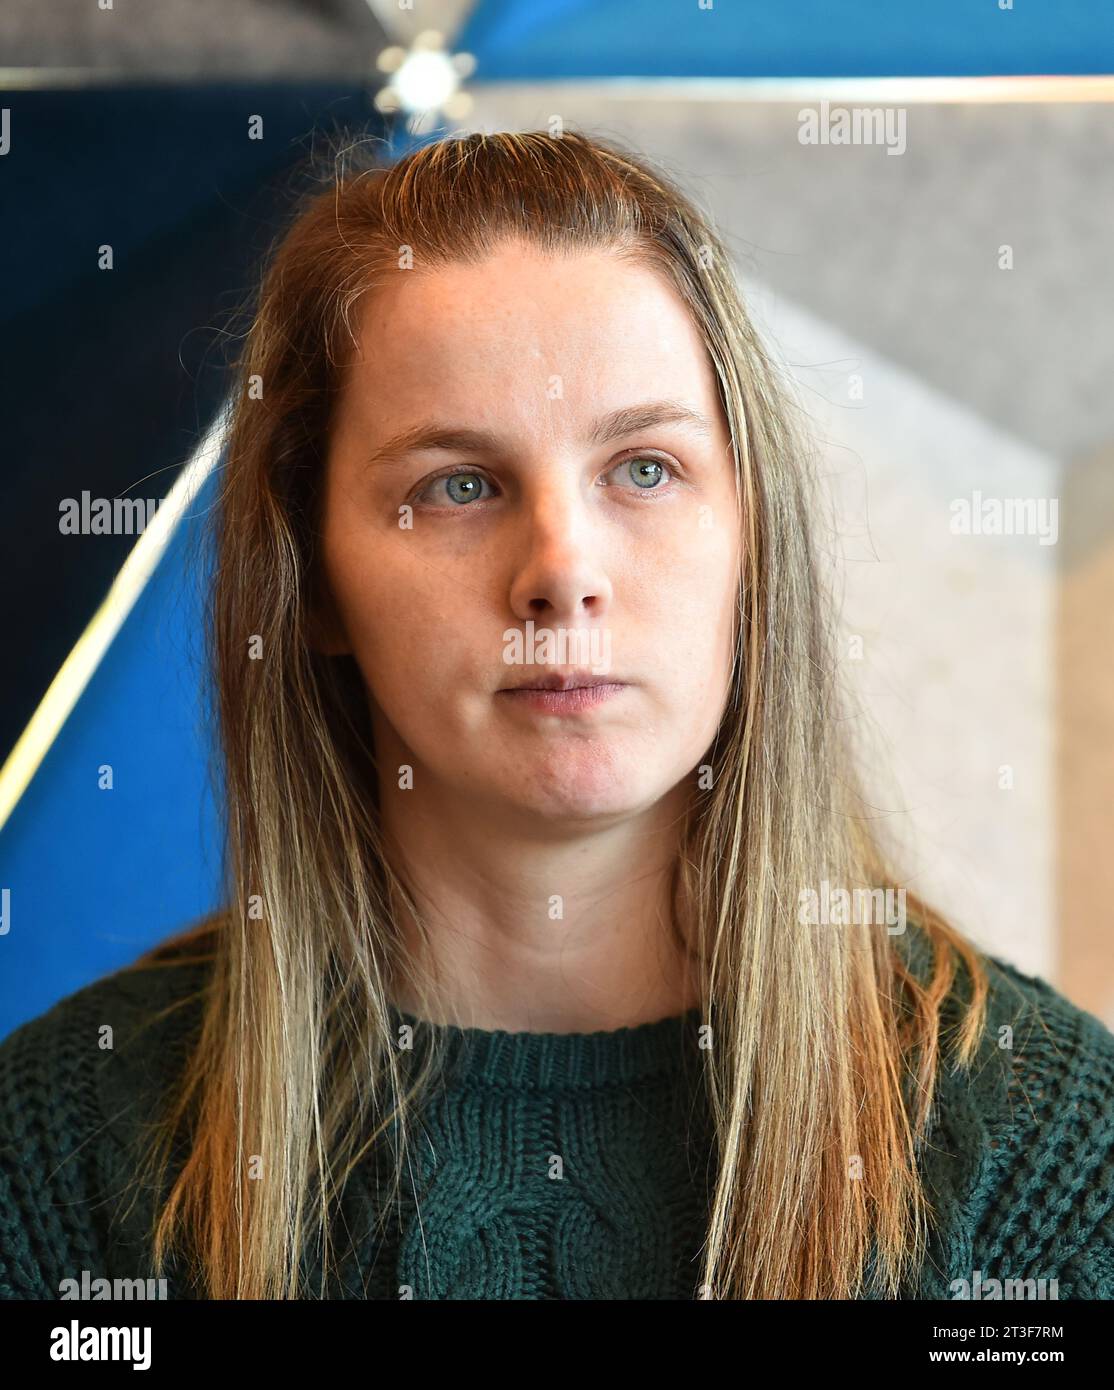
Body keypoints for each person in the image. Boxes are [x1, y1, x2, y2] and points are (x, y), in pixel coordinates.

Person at [1, 129, 1111, 1302]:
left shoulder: (1047, 1168)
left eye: (642, 468)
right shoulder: (56, 1171)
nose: (561, 569)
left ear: (754, 539)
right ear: (311, 581)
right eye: (458, 485)